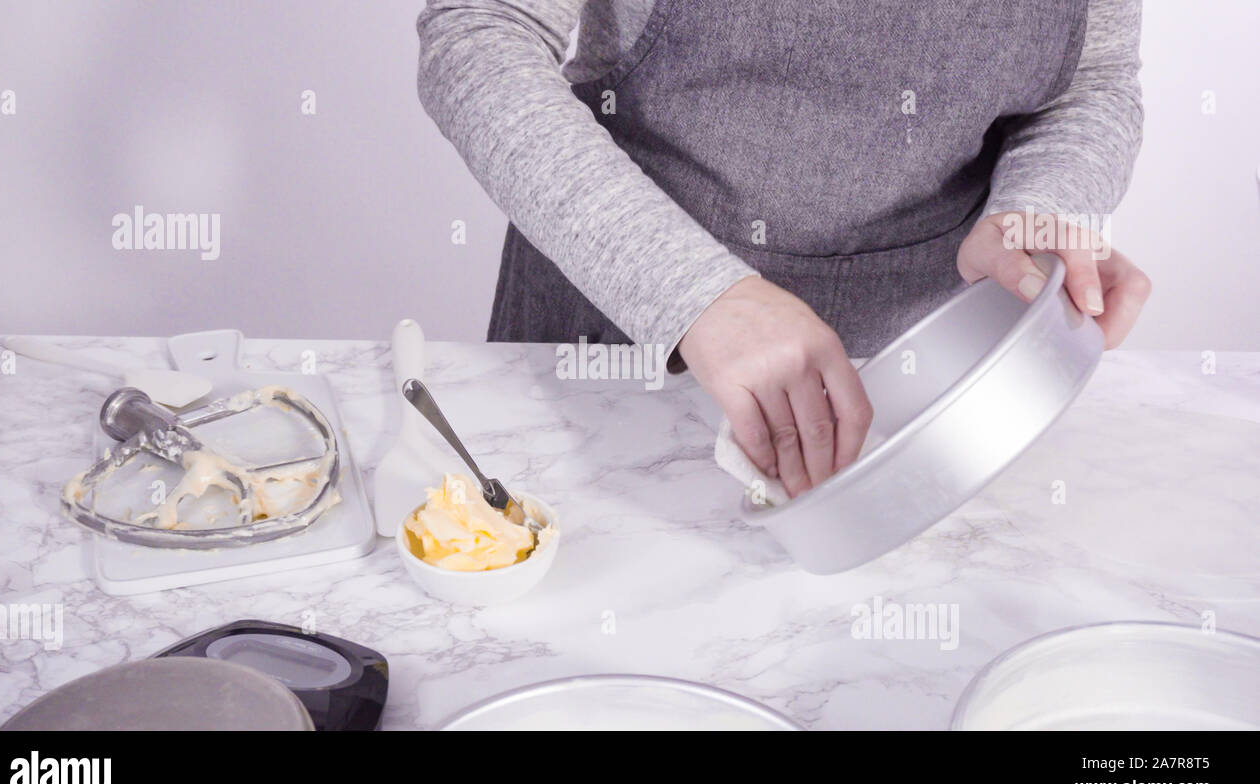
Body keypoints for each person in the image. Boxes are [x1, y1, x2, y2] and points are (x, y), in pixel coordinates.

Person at [417, 0, 1151, 498]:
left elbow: (1089, 80)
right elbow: (479, 31)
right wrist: (695, 293)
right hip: (609, 343)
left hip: (917, 392)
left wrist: (1042, 207)